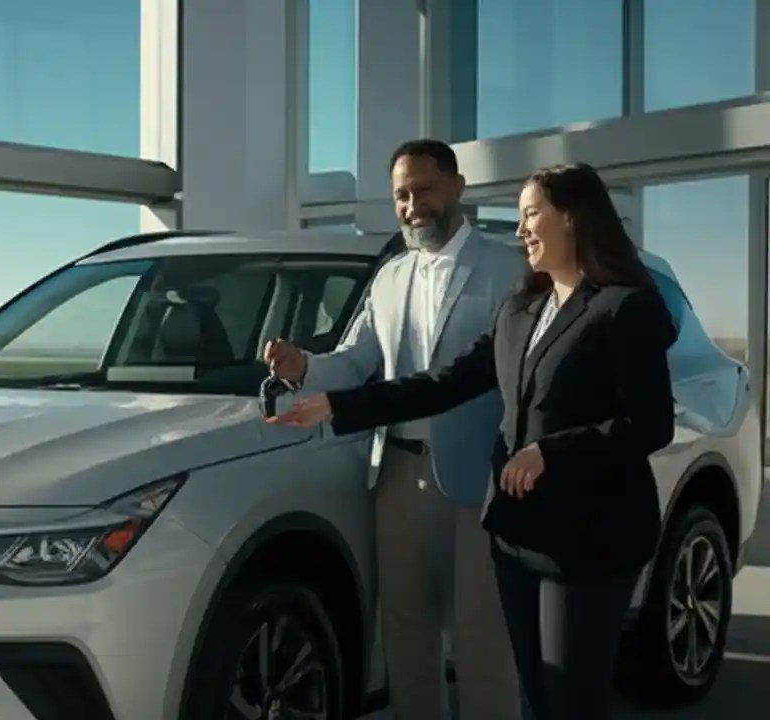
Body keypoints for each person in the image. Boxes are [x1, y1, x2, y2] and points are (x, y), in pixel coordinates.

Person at [271, 162, 677, 719]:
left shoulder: (626, 306)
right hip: (518, 535)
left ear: (573, 217)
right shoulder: (522, 308)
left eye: (532, 214)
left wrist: (551, 452)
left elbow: (650, 424)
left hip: (589, 539)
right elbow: (445, 383)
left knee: (571, 700)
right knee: (537, 690)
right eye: (519, 217)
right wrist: (337, 403)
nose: (521, 230)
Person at [264, 139, 526, 719]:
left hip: (483, 477)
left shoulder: (510, 267)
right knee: (406, 635)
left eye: (423, 190)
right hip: (398, 474)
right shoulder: (388, 278)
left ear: (457, 187)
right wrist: (304, 366)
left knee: (484, 639)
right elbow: (353, 363)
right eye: (401, 196)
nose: (412, 206)